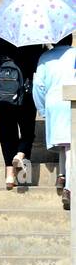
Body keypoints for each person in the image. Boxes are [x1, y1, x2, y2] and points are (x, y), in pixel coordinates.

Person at [0, 37, 44, 189]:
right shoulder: (35, 41)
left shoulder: (1, 41)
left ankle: (10, 176)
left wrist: (5, 82)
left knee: (6, 134)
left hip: (4, 94)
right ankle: (20, 156)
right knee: (27, 131)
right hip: (26, 92)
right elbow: (40, 68)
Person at [31, 34, 75, 210]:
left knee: (65, 143)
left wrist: (42, 109)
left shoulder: (44, 57)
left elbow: (38, 87)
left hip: (53, 103)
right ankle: (69, 188)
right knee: (72, 145)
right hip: (72, 100)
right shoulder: (75, 54)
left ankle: (62, 175)